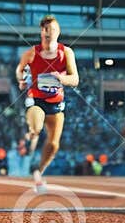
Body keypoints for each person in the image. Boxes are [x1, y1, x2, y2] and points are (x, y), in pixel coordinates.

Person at [15, 15, 79, 192]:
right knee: (36, 125)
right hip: (36, 100)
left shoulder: (66, 53)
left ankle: (38, 172)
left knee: (53, 145)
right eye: (45, 29)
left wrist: (62, 78)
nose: (48, 32)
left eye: (52, 29)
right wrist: (21, 80)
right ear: (41, 32)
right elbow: (19, 71)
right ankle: (29, 138)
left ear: (58, 32)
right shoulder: (31, 53)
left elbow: (75, 79)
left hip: (56, 104)